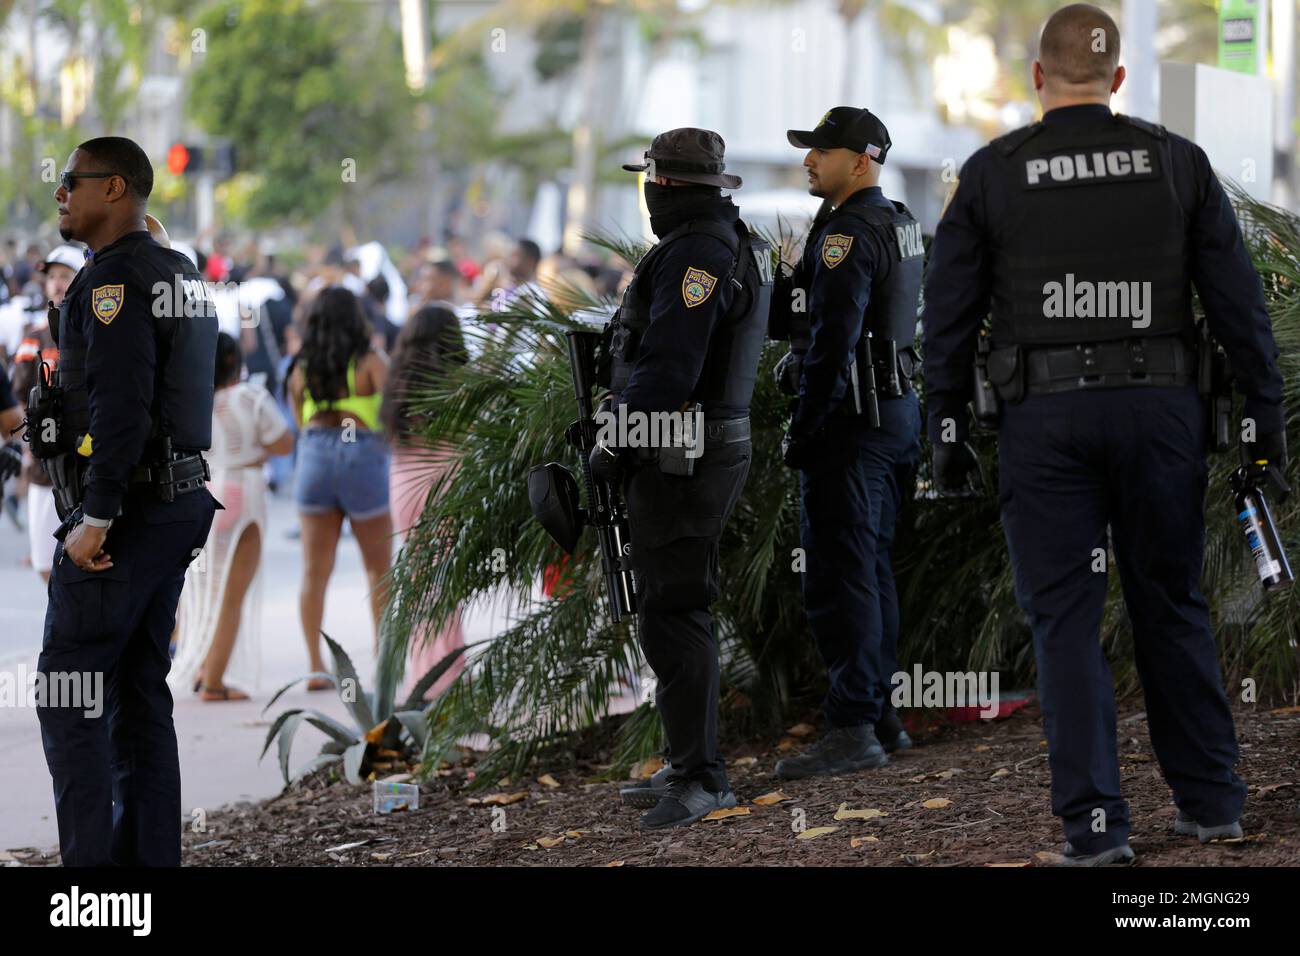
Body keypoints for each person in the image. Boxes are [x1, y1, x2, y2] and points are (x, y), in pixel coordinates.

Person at [921, 4, 1286, 865]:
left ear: (1036, 76)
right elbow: (1239, 306)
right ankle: (1212, 804)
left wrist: (943, 429)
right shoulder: (1176, 163)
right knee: (1172, 602)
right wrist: (1262, 421)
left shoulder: (992, 173)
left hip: (1044, 424)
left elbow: (946, 318)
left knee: (1065, 623)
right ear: (1118, 79)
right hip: (1162, 415)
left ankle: (1094, 830)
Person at [34, 136, 219, 867]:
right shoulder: (171, 269)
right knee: (138, 697)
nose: (60, 196)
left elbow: (121, 408)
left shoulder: (115, 283)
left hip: (127, 518)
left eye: (71, 182)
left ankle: (92, 889)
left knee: (70, 693)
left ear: (114, 189)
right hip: (172, 505)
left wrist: (96, 519)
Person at [597, 128, 771, 828]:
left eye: (649, 181)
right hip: (690, 444)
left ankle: (703, 777)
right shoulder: (726, 239)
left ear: (663, 187)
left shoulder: (700, 251)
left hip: (683, 452)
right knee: (670, 605)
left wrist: (619, 440)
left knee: (675, 609)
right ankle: (686, 758)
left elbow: (671, 364)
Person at [773, 107, 924, 780]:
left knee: (840, 578)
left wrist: (805, 428)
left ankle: (854, 728)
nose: (809, 159)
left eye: (821, 150)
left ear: (859, 160)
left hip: (851, 426)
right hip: (894, 417)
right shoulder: (900, 221)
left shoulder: (846, 234)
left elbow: (832, 343)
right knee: (871, 570)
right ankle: (881, 718)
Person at [170, 332, 293, 701]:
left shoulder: (191, 401)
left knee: (204, 589)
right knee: (233, 595)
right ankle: (214, 682)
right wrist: (259, 450)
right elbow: (284, 442)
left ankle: (203, 666)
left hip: (205, 490)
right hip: (244, 486)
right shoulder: (250, 396)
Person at [287, 286, 393, 681]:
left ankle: (316, 666)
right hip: (362, 457)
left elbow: (299, 422)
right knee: (378, 568)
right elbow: (395, 409)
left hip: (315, 457)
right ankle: (383, 659)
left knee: (314, 570)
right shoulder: (371, 362)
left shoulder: (302, 368)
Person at [381, 304, 468, 699]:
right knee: (447, 584)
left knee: (418, 581)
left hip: (405, 486)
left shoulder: (397, 378)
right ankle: (446, 678)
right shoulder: (459, 379)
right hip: (447, 482)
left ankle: (423, 679)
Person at [9, 243, 86, 582]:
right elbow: (18, 396)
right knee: (45, 564)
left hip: (86, 466)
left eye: (65, 275)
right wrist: (26, 447)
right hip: (45, 470)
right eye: (51, 276)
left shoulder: (92, 331)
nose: (56, 283)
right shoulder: (35, 337)